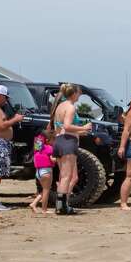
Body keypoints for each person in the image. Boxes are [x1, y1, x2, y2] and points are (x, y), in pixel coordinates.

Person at [49, 83, 94, 215]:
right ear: (74, 93)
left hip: (59, 140)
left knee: (70, 176)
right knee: (66, 176)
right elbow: (67, 126)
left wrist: (79, 132)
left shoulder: (59, 106)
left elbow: (61, 127)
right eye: (79, 93)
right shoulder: (70, 107)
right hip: (67, 142)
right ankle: (61, 206)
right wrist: (83, 128)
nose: (80, 95)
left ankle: (63, 204)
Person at [0, 84, 24, 211]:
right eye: (5, 97)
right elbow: (1, 125)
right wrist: (15, 119)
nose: (6, 100)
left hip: (1, 142)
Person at [29, 130, 55, 214]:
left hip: (38, 172)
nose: (54, 142)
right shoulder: (49, 148)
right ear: (48, 140)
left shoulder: (38, 148)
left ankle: (33, 204)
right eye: (54, 140)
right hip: (46, 171)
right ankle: (44, 209)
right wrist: (59, 158)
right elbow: (52, 159)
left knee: (44, 190)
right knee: (47, 191)